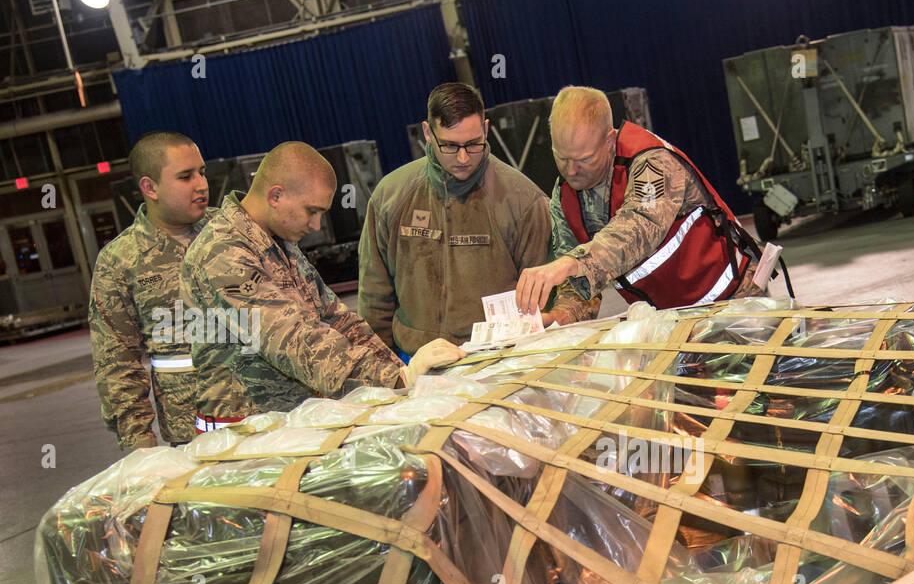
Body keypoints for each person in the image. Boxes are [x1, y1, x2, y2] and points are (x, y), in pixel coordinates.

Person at [184, 142, 459, 423]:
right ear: (276, 195)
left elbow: (337, 319)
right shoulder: (223, 252)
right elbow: (296, 342)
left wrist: (402, 375)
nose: (316, 225)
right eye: (311, 211)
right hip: (242, 437)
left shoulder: (277, 241)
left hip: (286, 423)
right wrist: (396, 379)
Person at [515, 86, 766, 322]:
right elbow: (578, 286)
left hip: (736, 300)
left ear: (610, 142)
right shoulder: (565, 198)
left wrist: (572, 262)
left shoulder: (653, 163)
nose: (571, 170)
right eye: (561, 156)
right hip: (672, 319)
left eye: (584, 159)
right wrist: (555, 319)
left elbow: (638, 229)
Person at [358, 83, 552, 353]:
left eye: (473, 144)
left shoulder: (524, 201)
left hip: (498, 360)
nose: (463, 158)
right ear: (428, 132)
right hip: (414, 358)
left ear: (485, 128)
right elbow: (374, 294)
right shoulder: (390, 196)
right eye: (449, 145)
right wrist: (383, 367)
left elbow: (545, 301)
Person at [89, 132, 213, 449]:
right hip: (195, 432)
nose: (201, 184)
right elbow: (116, 362)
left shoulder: (232, 232)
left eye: (202, 172)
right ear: (150, 187)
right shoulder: (121, 261)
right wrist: (138, 445)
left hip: (271, 413)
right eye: (186, 176)